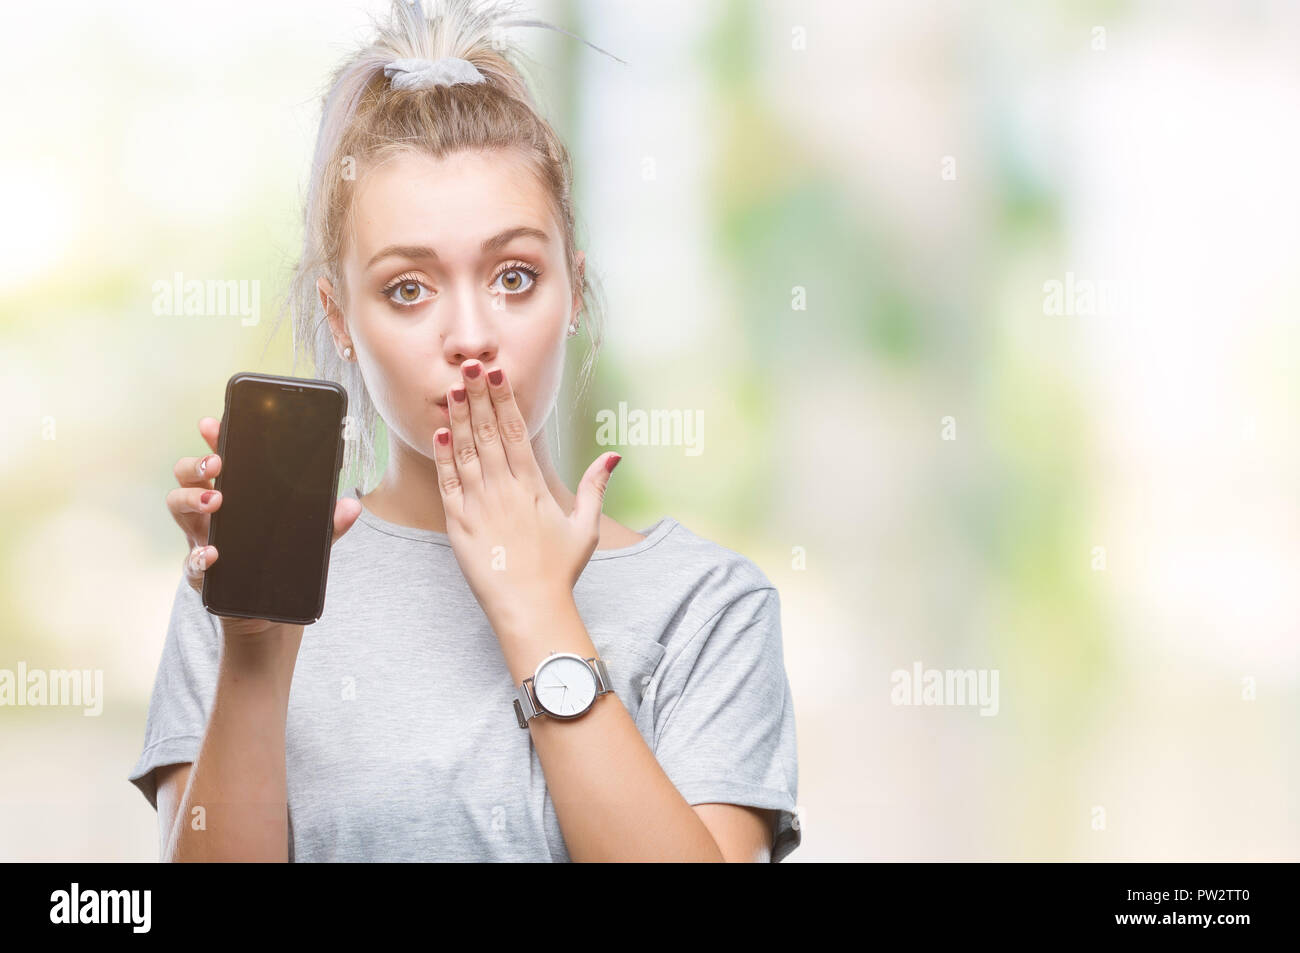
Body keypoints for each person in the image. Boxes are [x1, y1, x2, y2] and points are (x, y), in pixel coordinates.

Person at [129, 0, 800, 862]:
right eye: (409, 287)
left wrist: (535, 606)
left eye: (515, 275)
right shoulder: (244, 587)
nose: (471, 334)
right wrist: (254, 657)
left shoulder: (709, 606)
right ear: (340, 316)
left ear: (574, 294)